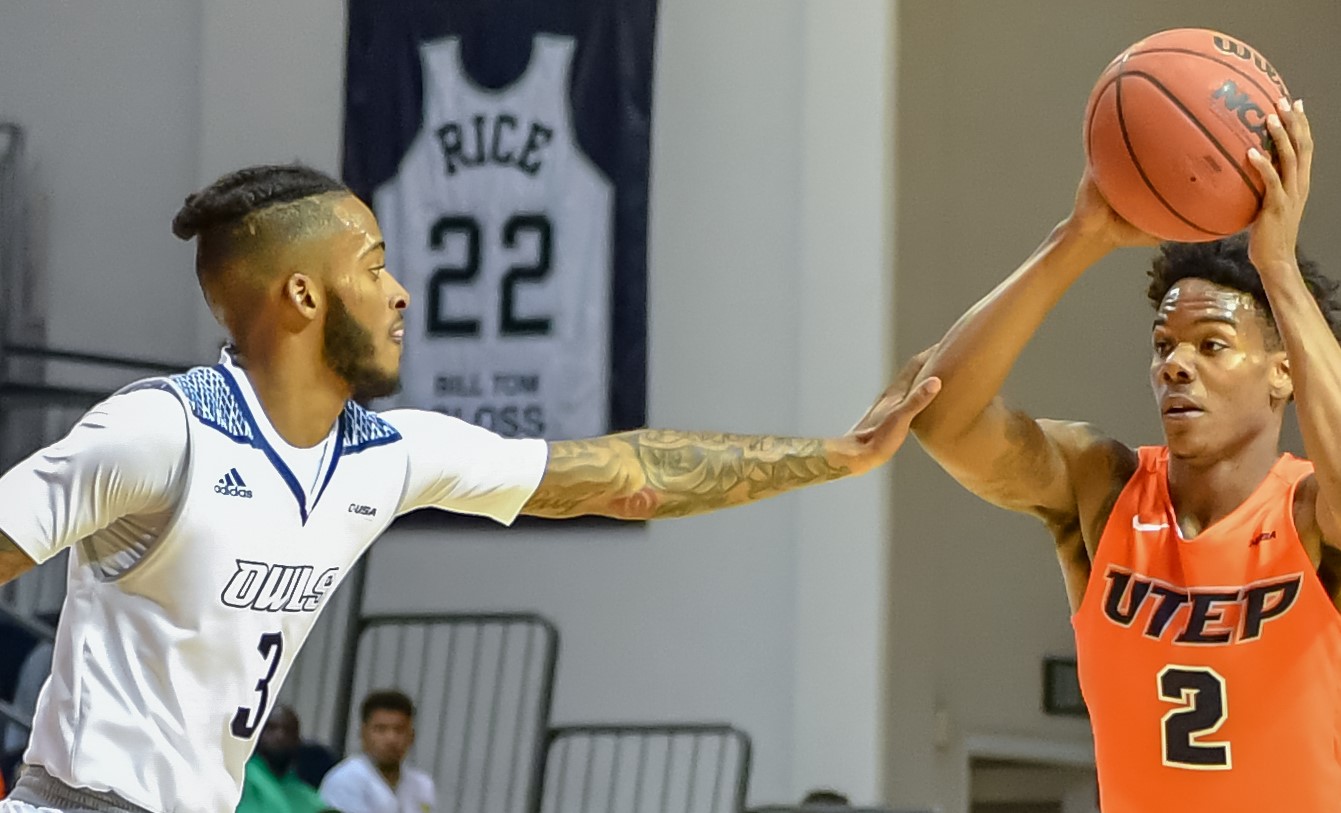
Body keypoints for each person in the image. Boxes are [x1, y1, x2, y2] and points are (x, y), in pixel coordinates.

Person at [0, 163, 940, 813]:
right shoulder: (162, 430)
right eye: (373, 265)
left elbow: (626, 476)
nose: (401, 290)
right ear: (300, 296)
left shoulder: (389, 454)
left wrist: (838, 455)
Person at [908, 99, 1340, 811]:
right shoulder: (1103, 488)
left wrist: (1279, 270)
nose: (1174, 365)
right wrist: (1076, 238)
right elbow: (944, 418)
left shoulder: (1306, 516)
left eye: (1209, 345)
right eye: (1163, 346)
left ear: (1282, 370)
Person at [318, 690, 432, 813]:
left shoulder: (423, 785)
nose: (391, 739)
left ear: (412, 736)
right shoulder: (345, 781)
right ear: (363, 733)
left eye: (399, 730)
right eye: (380, 729)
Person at [236, 706, 326, 813]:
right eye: (271, 728)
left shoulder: (307, 797)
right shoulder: (240, 776)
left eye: (289, 730)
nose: (280, 736)